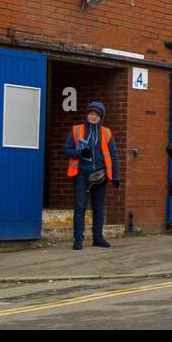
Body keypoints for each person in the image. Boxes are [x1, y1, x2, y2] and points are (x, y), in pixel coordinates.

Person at [65, 101, 121, 250]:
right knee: (80, 206)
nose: (93, 116)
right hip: (81, 174)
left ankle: (98, 238)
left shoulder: (107, 132)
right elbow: (67, 150)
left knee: (99, 207)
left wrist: (116, 175)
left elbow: (113, 155)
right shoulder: (76, 130)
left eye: (96, 114)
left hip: (100, 175)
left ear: (101, 117)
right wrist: (80, 153)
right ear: (87, 115)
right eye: (91, 113)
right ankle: (78, 239)